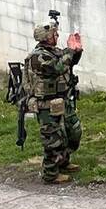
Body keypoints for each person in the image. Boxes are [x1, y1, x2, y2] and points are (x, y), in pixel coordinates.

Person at [25, 20, 84, 184]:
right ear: (46, 37)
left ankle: (63, 161)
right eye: (54, 34)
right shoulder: (38, 57)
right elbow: (57, 67)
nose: (57, 36)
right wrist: (70, 51)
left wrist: (76, 51)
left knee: (73, 132)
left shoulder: (54, 51)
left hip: (63, 100)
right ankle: (50, 174)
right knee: (53, 139)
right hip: (47, 105)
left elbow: (69, 62)